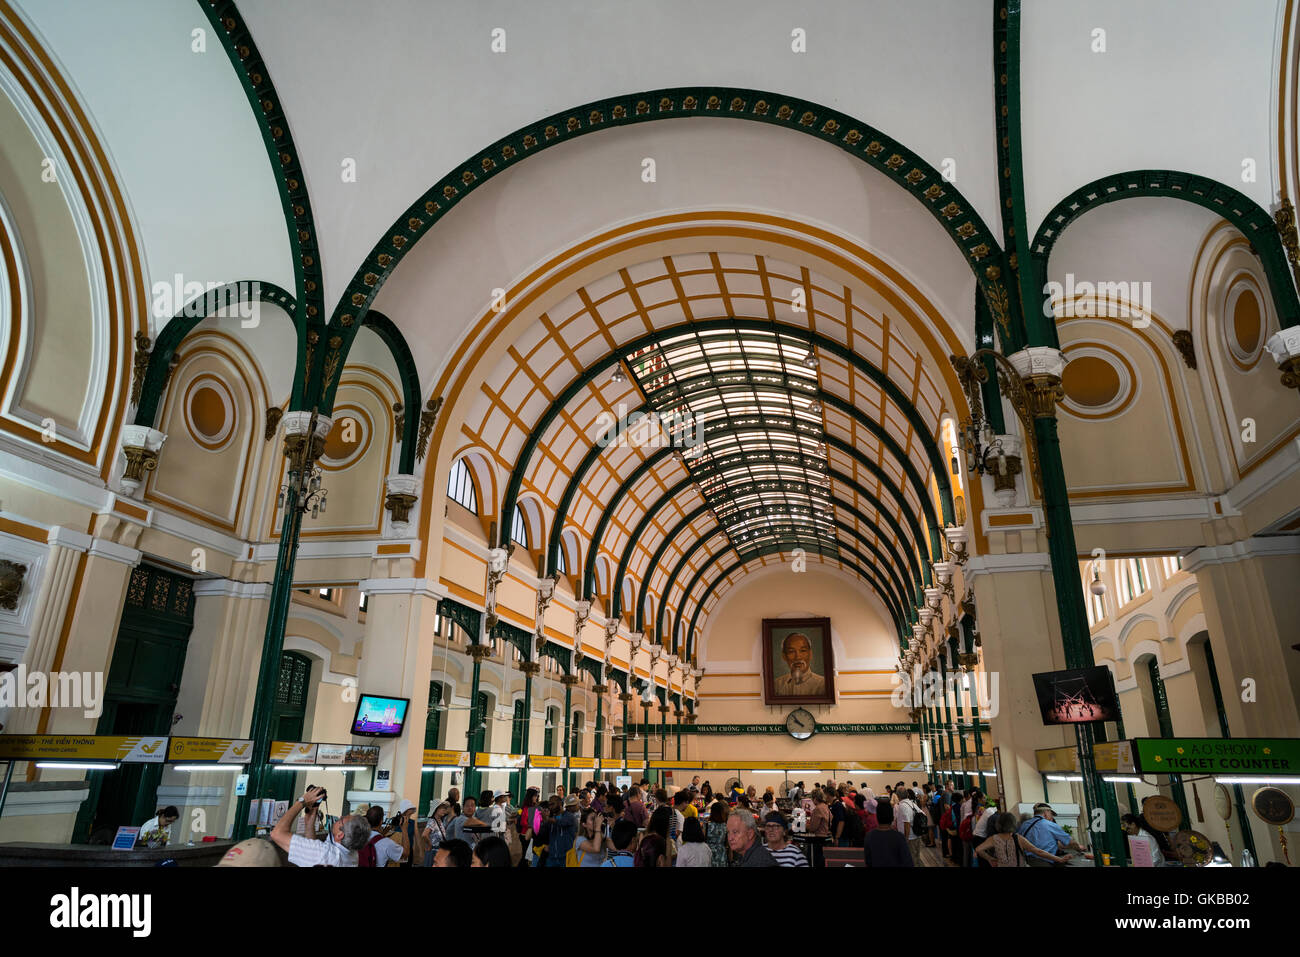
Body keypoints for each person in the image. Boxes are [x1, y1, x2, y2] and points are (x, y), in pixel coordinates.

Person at [269, 785, 369, 867]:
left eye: (342, 820)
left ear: (340, 835)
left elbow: (277, 833)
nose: (340, 817)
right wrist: (309, 822)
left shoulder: (325, 855)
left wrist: (302, 801)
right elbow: (313, 852)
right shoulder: (352, 855)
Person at [978, 812, 1065, 867]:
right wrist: (1059, 859)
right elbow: (1038, 851)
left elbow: (978, 850)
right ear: (1013, 823)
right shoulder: (1018, 838)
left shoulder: (994, 839)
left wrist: (989, 858)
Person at [1016, 803, 1085, 867]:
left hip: (1023, 861)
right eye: (1051, 814)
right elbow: (1071, 842)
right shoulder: (1050, 825)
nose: (1052, 817)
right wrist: (1078, 849)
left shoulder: (1024, 824)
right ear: (1046, 813)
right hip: (1042, 862)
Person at [774, 631, 825, 695]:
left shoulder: (822, 684)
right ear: (784, 656)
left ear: (810, 654)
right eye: (791, 651)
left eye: (803, 651)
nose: (798, 657)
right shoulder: (777, 685)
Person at [863, 801, 912, 867]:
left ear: (877, 817)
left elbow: (868, 861)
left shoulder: (869, 837)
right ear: (892, 817)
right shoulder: (899, 837)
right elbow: (908, 862)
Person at [389, 798, 428, 866]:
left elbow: (417, 838)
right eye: (410, 808)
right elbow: (390, 835)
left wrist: (421, 851)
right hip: (398, 850)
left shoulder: (413, 822)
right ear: (406, 810)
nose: (412, 810)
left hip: (409, 850)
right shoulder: (396, 821)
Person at [547, 794, 580, 867]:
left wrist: (547, 819)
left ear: (559, 804)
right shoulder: (551, 817)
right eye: (549, 805)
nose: (550, 807)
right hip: (552, 857)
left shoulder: (569, 816)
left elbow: (562, 822)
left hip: (566, 857)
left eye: (552, 804)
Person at [895, 789, 925, 865]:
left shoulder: (902, 806)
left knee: (911, 859)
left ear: (898, 796)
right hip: (916, 834)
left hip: (910, 837)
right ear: (907, 794)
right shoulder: (911, 803)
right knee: (916, 857)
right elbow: (923, 814)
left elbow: (907, 823)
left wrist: (906, 839)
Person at [422, 800, 453, 866]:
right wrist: (430, 844)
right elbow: (424, 835)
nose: (444, 810)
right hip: (433, 852)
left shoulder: (439, 821)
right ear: (435, 809)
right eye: (442, 808)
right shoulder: (432, 821)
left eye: (445, 808)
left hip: (438, 851)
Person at [705, 800, 730, 867]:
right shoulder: (726, 826)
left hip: (708, 853)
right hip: (721, 853)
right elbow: (727, 843)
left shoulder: (707, 825)